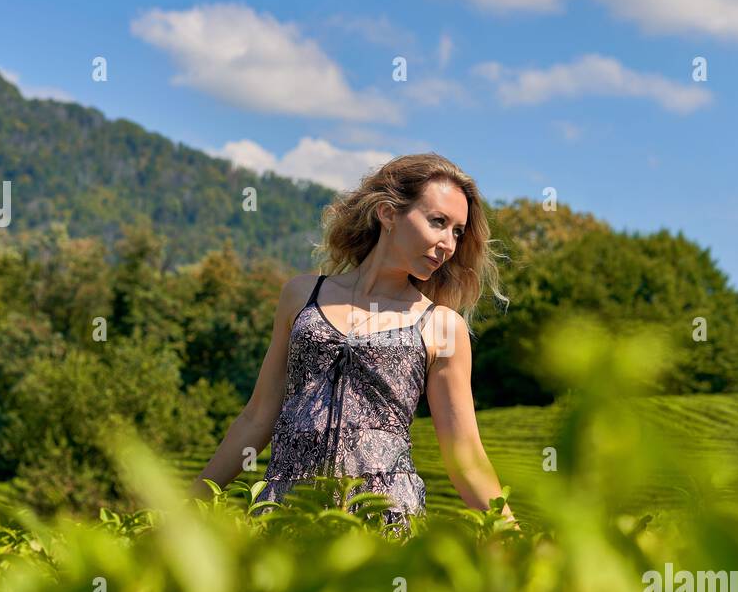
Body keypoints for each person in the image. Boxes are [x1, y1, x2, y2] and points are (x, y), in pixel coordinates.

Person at [188, 152, 518, 535]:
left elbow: (465, 456)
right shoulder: (301, 295)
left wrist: (512, 537)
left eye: (457, 232)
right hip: (286, 513)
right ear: (388, 213)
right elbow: (258, 416)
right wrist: (184, 507)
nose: (448, 243)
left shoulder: (443, 326)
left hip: (382, 522)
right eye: (438, 222)